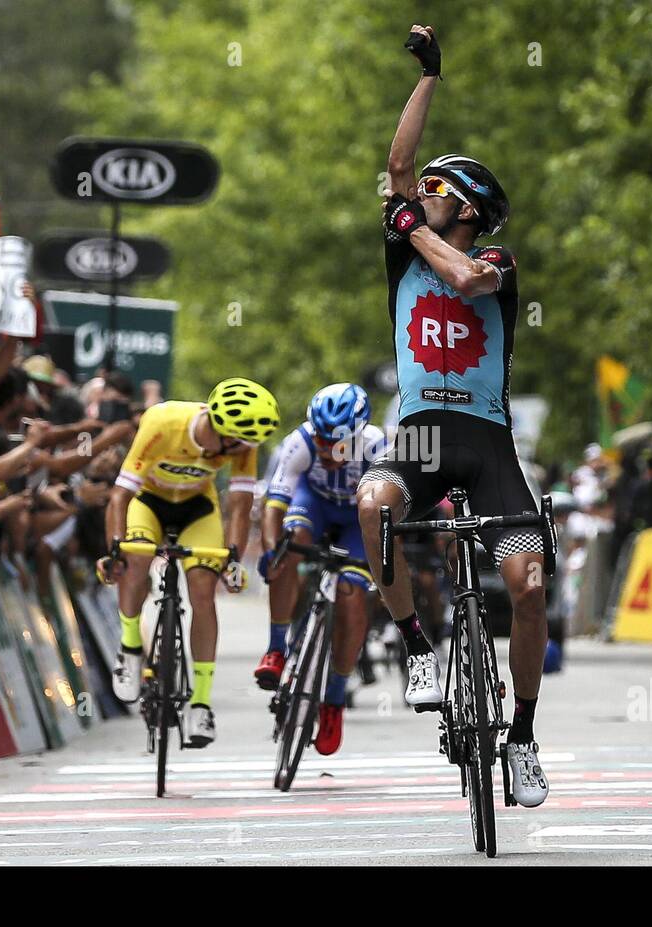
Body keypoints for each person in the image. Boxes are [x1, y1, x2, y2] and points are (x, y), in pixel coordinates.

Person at [356, 24, 549, 808]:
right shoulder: (405, 246)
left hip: (488, 443)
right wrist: (429, 77)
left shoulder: (497, 264)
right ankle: (417, 648)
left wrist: (414, 228)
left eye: (436, 192)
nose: (415, 197)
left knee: (527, 585)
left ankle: (525, 738)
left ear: (464, 206)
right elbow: (399, 166)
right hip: (424, 434)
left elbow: (467, 280)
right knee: (373, 507)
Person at [99, 378, 279, 748]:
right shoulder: (162, 422)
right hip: (149, 503)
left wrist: (232, 559)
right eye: (238, 443)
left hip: (198, 509)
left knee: (202, 590)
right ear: (220, 429)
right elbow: (120, 497)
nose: (244, 450)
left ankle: (200, 703)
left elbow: (240, 506)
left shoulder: (242, 443)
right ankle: (131, 647)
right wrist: (116, 550)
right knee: (136, 559)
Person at [254, 383, 385, 756]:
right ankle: (277, 649)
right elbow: (275, 504)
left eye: (337, 442)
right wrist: (271, 550)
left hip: (357, 519)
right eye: (322, 439)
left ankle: (335, 699)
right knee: (288, 545)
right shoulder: (300, 442)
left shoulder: (378, 446)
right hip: (316, 506)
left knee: (352, 594)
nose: (327, 450)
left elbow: (387, 514)